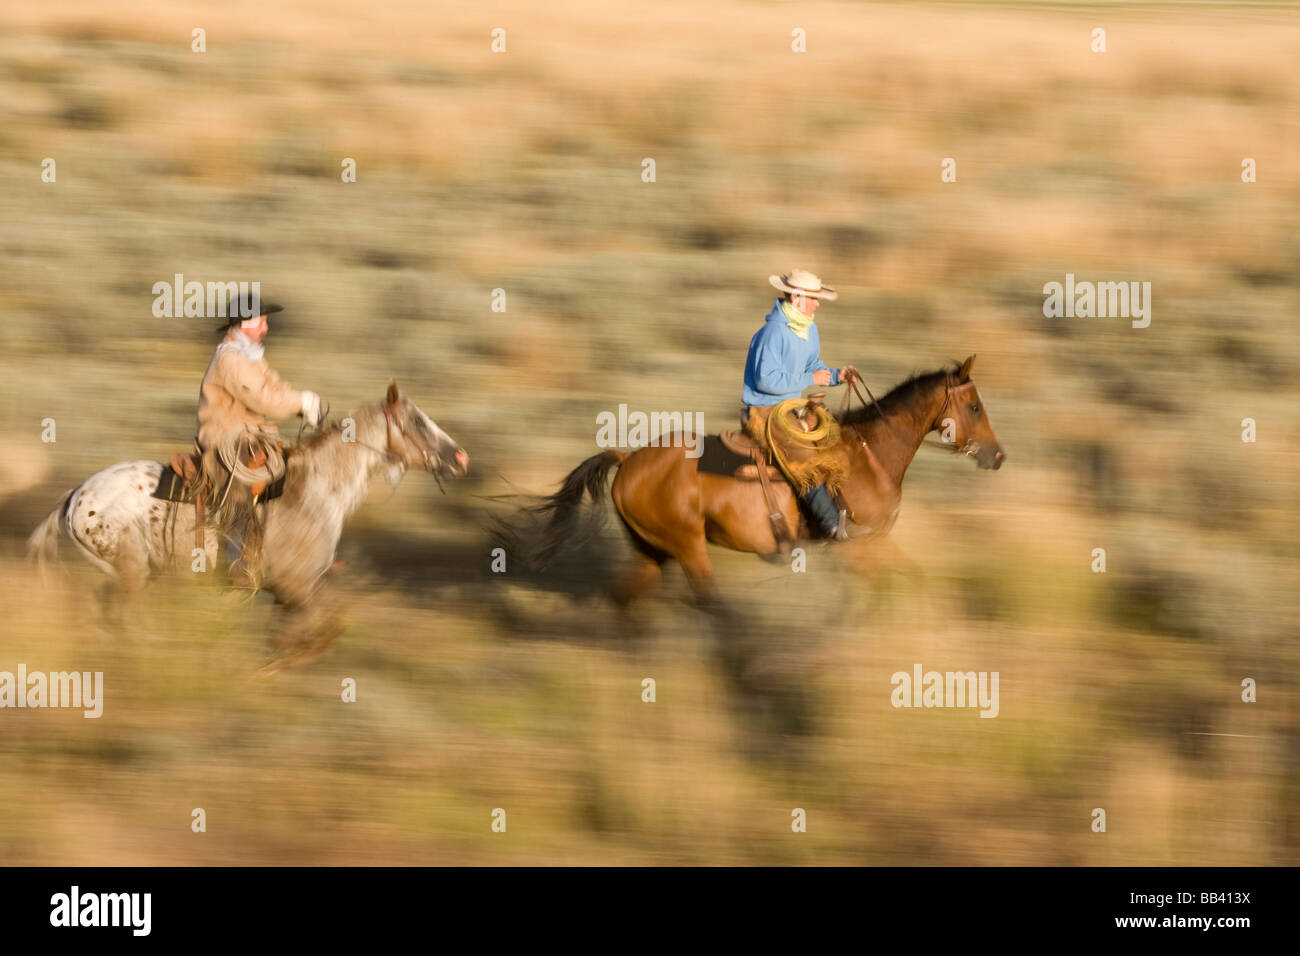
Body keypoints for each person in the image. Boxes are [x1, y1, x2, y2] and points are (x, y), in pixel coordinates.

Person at [196, 300, 324, 583]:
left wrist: (302, 401)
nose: (266, 327)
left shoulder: (249, 357)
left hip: (248, 434)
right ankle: (233, 562)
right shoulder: (230, 360)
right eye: (261, 321)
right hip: (225, 436)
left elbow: (274, 386)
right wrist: (299, 402)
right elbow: (261, 398)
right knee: (244, 479)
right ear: (243, 324)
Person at [741, 269, 857, 541]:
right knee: (802, 459)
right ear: (796, 297)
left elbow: (813, 366)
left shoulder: (808, 328)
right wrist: (809, 378)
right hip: (765, 411)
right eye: (813, 299)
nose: (817, 304)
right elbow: (765, 380)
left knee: (836, 440)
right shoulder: (773, 333)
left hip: (790, 408)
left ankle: (841, 509)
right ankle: (830, 525)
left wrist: (836, 375)